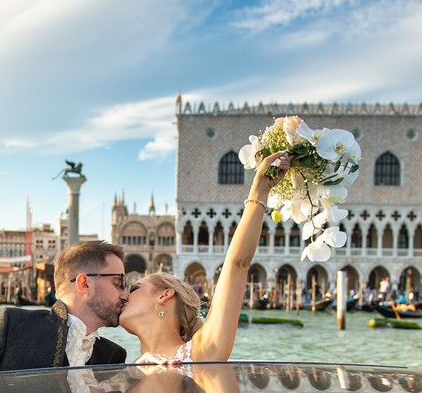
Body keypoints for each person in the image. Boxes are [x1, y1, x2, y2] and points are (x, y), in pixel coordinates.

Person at [119, 150, 292, 363]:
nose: (124, 295)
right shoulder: (125, 369)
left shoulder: (201, 352)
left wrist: (260, 189)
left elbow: (237, 264)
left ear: (164, 296)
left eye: (134, 288)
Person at [0, 240, 129, 375]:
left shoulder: (113, 356)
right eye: (119, 283)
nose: (125, 295)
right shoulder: (12, 325)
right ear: (84, 284)